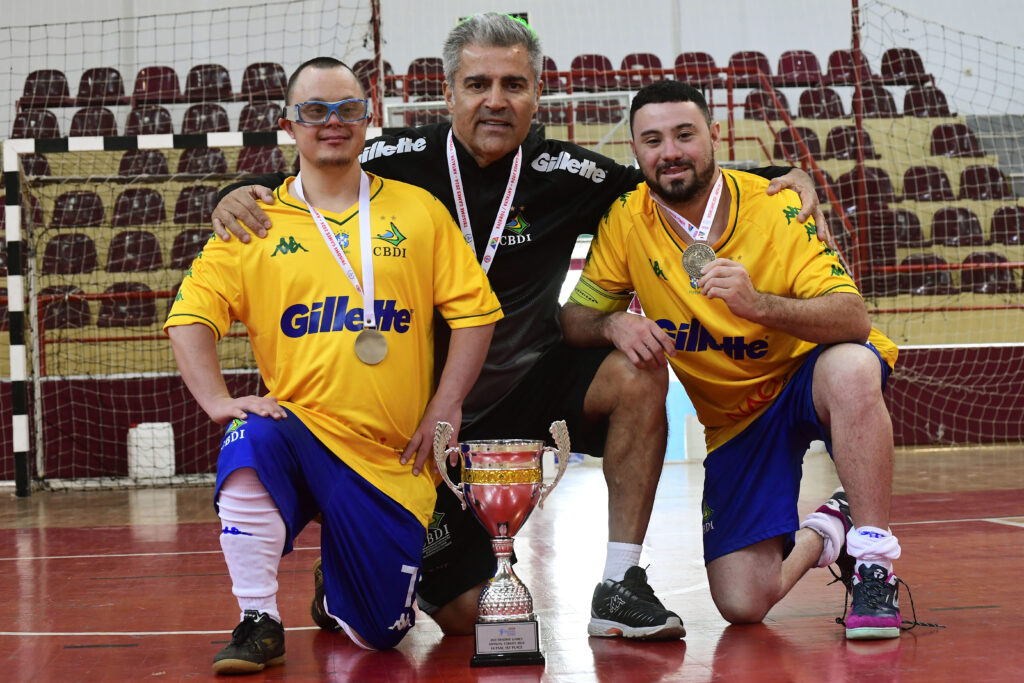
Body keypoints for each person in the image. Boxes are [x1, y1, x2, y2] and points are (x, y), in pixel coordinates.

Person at [211, 13, 826, 640]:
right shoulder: (395, 160)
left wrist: (782, 178)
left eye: (514, 84)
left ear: (538, 94)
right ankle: (355, 565)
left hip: (529, 392)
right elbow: (301, 179)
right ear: (449, 93)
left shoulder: (569, 173)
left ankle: (620, 583)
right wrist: (233, 192)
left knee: (637, 368)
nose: (496, 101)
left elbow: (673, 179)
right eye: (478, 85)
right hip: (418, 418)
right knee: (465, 619)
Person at [165, 57, 502, 674]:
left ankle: (339, 579)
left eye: (347, 109)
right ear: (288, 124)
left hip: (392, 459)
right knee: (250, 434)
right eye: (315, 111)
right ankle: (258, 620)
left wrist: (446, 403)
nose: (332, 123)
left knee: (380, 635)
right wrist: (216, 400)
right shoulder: (252, 223)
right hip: (301, 431)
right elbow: (190, 318)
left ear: (367, 118)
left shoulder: (417, 211)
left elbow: (475, 315)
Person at [561, 80, 906, 640]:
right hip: (736, 420)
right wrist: (612, 321)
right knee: (742, 602)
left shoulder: (777, 204)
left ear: (714, 136)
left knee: (852, 366)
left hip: (804, 377)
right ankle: (829, 528)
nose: (669, 151)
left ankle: (873, 565)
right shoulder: (627, 219)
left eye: (684, 134)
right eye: (652, 140)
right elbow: (574, 320)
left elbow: (852, 319)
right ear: (635, 151)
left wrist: (757, 304)